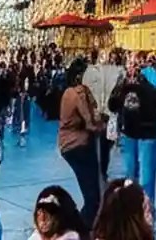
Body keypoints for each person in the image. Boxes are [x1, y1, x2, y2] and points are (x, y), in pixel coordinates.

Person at [107, 56, 156, 215]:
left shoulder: (150, 79)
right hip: (129, 133)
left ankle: (147, 213)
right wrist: (121, 88)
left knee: (147, 177)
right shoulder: (123, 84)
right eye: (130, 65)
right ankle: (134, 211)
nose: (132, 69)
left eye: (135, 65)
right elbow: (112, 105)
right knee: (131, 175)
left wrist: (141, 86)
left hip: (147, 133)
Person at [58, 58, 103, 228]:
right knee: (93, 197)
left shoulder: (69, 92)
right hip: (77, 146)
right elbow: (91, 122)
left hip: (69, 145)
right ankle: (81, 229)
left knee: (92, 193)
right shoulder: (78, 93)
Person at [82, 49, 124, 177]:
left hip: (106, 113)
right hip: (100, 112)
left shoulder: (115, 73)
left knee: (104, 142)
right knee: (100, 142)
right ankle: (100, 168)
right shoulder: (94, 73)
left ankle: (101, 168)